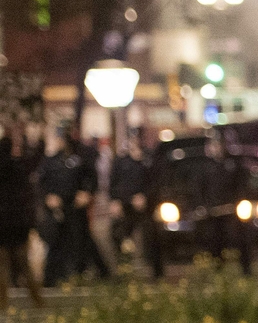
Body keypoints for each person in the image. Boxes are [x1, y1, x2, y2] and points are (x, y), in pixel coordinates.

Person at [39, 126, 106, 286]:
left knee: (82, 240)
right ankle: (52, 278)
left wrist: (86, 193)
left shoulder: (81, 158)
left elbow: (92, 179)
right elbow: (42, 183)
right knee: (56, 243)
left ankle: (88, 273)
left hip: (76, 208)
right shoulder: (51, 160)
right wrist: (48, 197)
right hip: (58, 210)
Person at [197, 130, 254, 275]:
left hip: (232, 212)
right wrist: (205, 206)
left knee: (241, 242)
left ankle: (246, 273)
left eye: (221, 144)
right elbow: (199, 189)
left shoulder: (234, 164)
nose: (218, 147)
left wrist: (237, 202)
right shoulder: (205, 167)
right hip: (214, 212)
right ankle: (218, 274)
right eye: (215, 144)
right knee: (216, 244)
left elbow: (242, 186)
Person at [0, 132, 44, 309]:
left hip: (2, 223)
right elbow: (35, 159)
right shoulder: (20, 168)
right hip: (19, 224)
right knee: (24, 264)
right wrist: (39, 138)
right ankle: (37, 300)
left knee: (2, 265)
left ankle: (2, 303)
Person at [109, 130, 150, 260]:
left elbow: (153, 181)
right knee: (121, 234)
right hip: (124, 203)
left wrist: (144, 196)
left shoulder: (148, 159)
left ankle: (148, 263)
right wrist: (114, 201)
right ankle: (124, 263)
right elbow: (113, 181)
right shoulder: (121, 161)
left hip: (145, 205)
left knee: (146, 234)